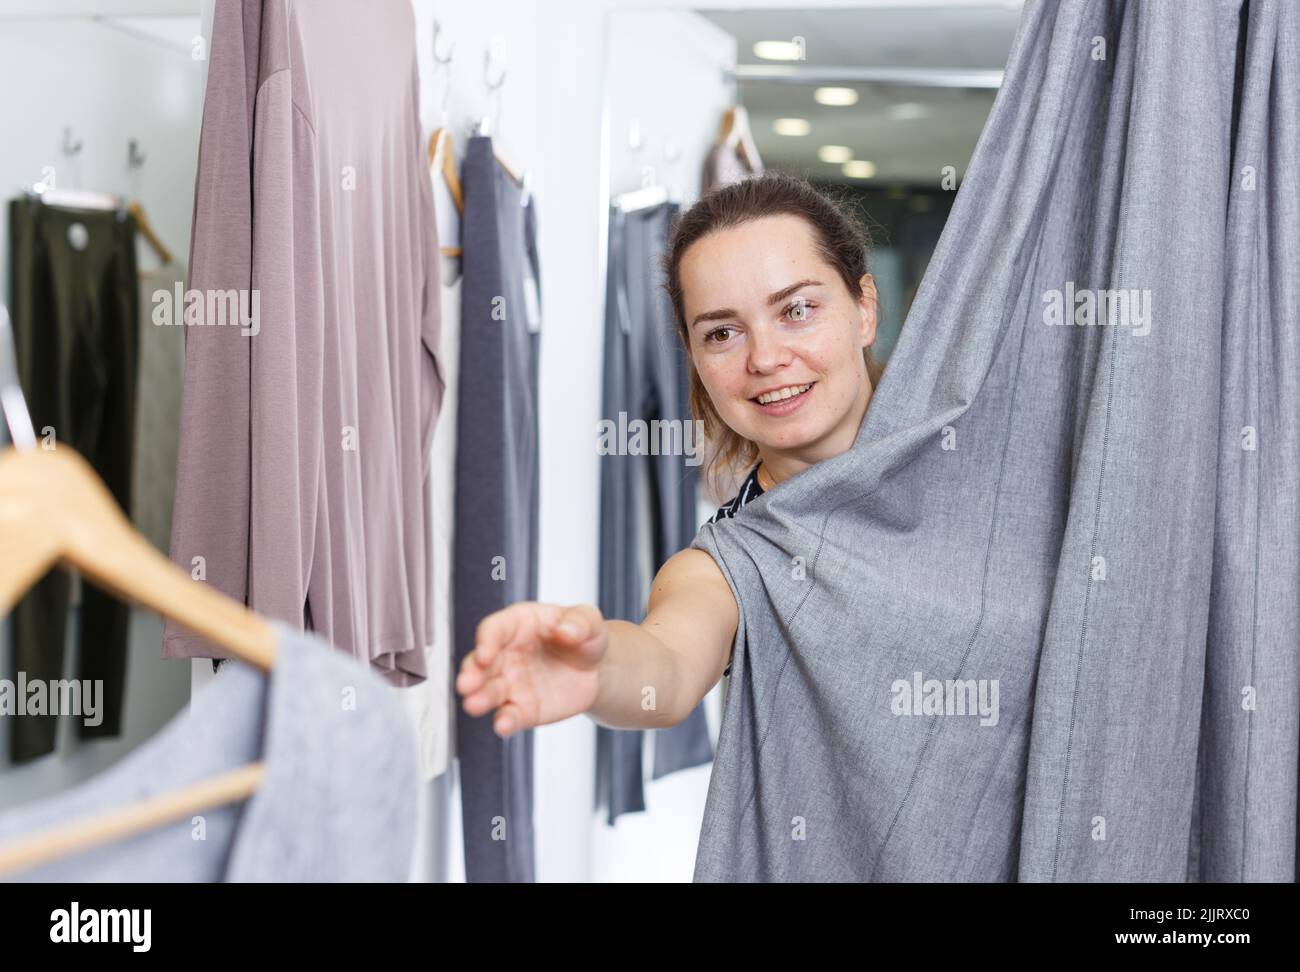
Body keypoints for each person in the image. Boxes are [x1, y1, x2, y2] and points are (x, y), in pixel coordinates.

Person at [455, 171, 885, 742]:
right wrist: (598, 669)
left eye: (797, 310)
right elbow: (668, 664)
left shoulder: (983, 472)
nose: (765, 357)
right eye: (722, 334)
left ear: (864, 309)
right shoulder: (728, 565)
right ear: (694, 357)